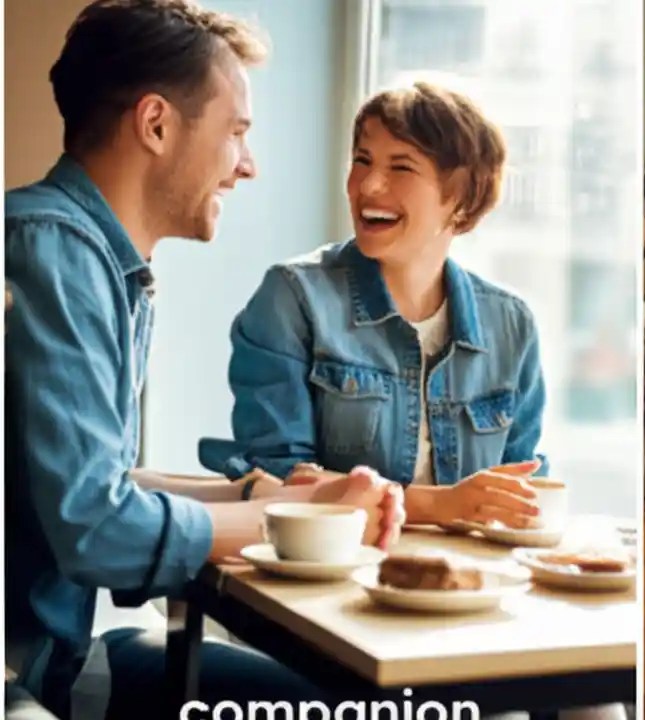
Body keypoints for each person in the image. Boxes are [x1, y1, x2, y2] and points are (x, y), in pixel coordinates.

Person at [4, 2, 405, 718]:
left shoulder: (99, 262)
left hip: (55, 661)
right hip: (18, 678)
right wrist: (301, 520)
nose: (247, 166)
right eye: (236, 134)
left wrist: (266, 497)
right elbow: (96, 526)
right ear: (156, 124)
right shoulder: (53, 253)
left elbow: (95, 481)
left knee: (347, 703)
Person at [196, 81, 551, 533]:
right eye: (362, 160)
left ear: (462, 201)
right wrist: (440, 505)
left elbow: (520, 489)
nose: (368, 184)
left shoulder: (511, 324)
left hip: (471, 584)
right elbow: (281, 483)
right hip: (333, 580)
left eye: (400, 167)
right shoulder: (293, 298)